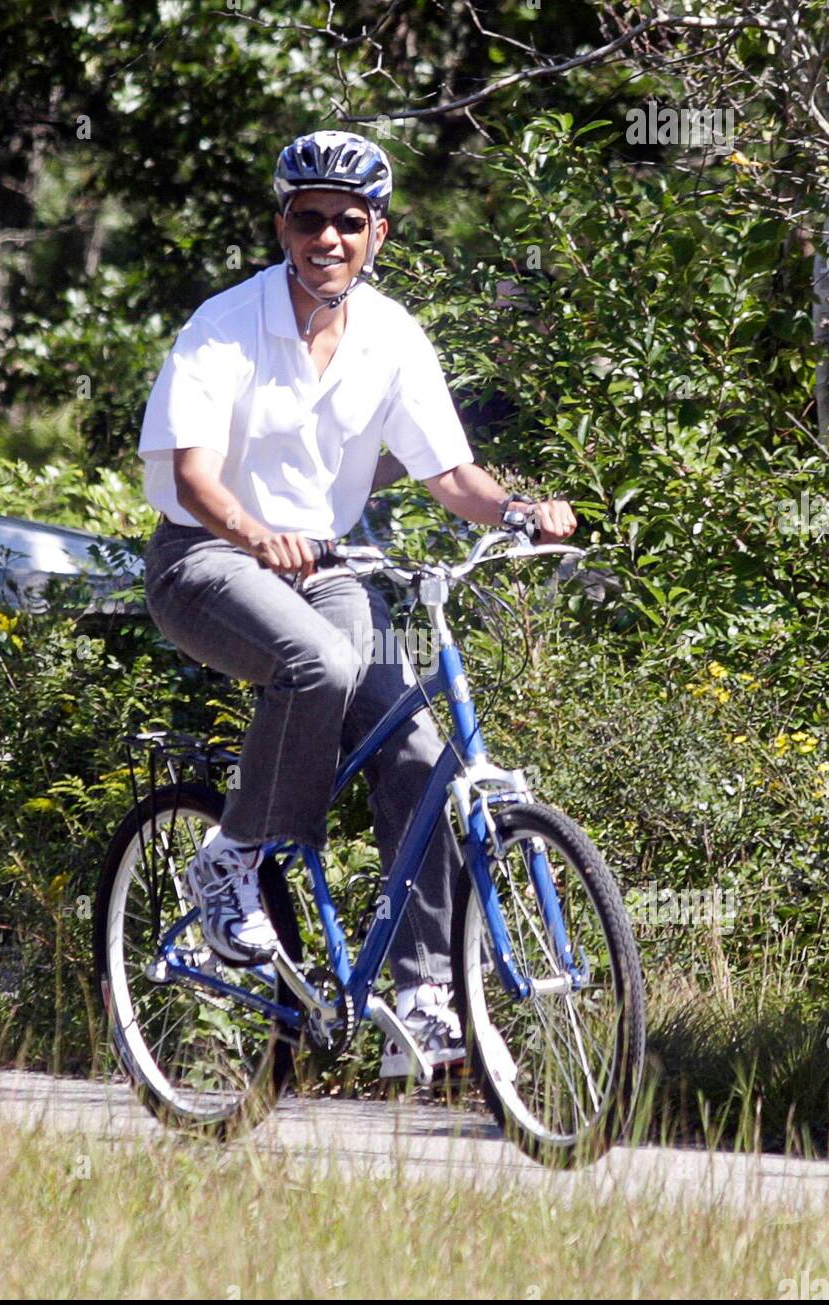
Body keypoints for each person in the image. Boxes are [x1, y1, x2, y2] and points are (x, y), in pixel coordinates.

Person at [137, 130, 576, 1078]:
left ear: (378, 232)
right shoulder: (224, 324)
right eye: (307, 219)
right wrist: (257, 533)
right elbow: (193, 475)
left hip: (326, 569)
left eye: (348, 221)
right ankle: (235, 856)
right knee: (319, 666)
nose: (326, 237)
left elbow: (448, 471)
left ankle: (419, 996)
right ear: (281, 225)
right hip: (205, 560)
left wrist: (516, 510)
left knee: (422, 753)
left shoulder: (393, 335)